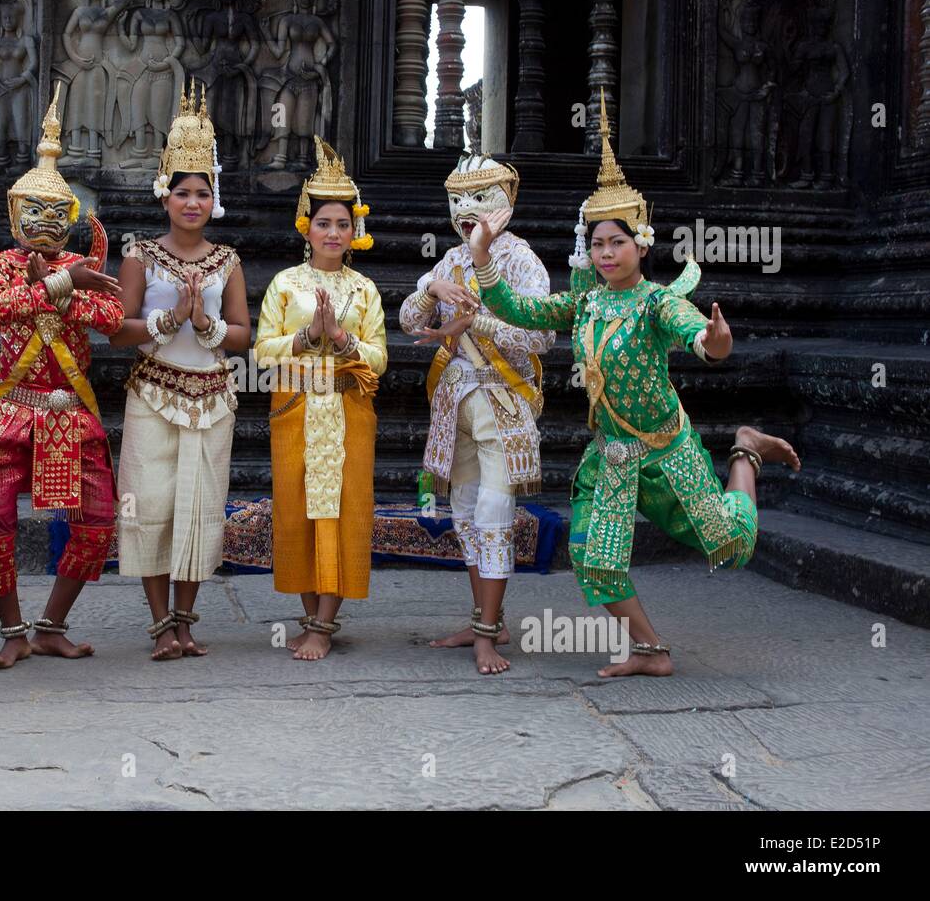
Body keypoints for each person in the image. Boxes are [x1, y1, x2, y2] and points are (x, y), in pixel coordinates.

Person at [471, 91, 801, 677]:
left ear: (640, 244)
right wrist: (483, 256)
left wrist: (716, 337)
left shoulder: (655, 304)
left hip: (667, 451)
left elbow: (700, 336)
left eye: (616, 242)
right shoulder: (584, 302)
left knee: (731, 544)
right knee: (593, 560)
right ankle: (652, 650)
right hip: (613, 456)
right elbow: (516, 308)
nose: (605, 253)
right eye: (597, 243)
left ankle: (745, 451)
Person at [0, 82, 124, 670]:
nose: (47, 224)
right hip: (8, 407)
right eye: (35, 213)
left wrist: (61, 287)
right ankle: (11, 630)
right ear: (13, 213)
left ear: (73, 220)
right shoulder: (1, 266)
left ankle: (51, 624)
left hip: (67, 410)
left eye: (59, 215)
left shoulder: (86, 268)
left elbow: (110, 315)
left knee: (98, 523)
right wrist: (57, 287)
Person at [109, 84, 251, 660]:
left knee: (199, 506)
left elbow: (244, 334)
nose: (192, 201)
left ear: (213, 199)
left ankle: (187, 622)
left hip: (212, 398)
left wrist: (208, 327)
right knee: (150, 504)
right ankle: (159, 624)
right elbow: (118, 328)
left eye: (202, 192)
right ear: (164, 197)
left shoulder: (227, 260)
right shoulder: (139, 254)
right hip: (153, 393)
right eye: (182, 192)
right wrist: (169, 320)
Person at [399, 154, 554, 674]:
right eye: (458, 200)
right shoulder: (449, 261)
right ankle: (487, 618)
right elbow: (407, 320)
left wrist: (477, 324)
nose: (467, 210)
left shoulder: (521, 261)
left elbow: (541, 335)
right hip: (455, 403)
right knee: (464, 514)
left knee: (492, 513)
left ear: (507, 201)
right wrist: (430, 289)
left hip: (503, 400)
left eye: (480, 198)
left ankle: (487, 634)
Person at [254, 137, 387, 661]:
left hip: (350, 409)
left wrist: (344, 340)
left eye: (343, 223)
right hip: (297, 410)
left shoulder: (366, 289)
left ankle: (324, 625)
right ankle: (310, 614)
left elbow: (379, 357)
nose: (334, 232)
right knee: (298, 512)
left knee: (344, 511)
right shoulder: (285, 284)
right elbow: (263, 352)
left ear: (356, 230)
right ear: (305, 226)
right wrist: (309, 337)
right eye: (324, 223)